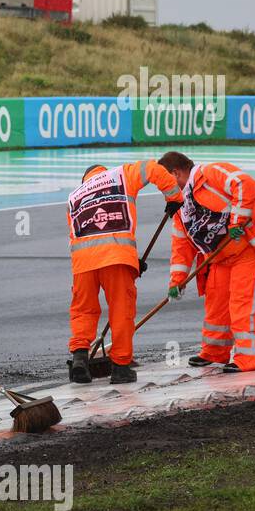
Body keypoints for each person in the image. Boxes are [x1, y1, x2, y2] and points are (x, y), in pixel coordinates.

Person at [159, 151, 255, 372]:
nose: (162, 190)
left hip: (251, 248)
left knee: (243, 304)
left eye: (163, 183)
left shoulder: (210, 173)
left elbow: (245, 183)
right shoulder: (182, 206)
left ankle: (247, 359)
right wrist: (177, 281)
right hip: (220, 257)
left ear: (175, 173)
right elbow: (181, 246)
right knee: (216, 304)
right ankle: (214, 352)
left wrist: (236, 221)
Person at [67, 160, 184, 384]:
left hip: (82, 263)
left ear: (85, 180)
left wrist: (130, 261)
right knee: (121, 309)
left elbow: (79, 236)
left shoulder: (74, 196)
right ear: (103, 172)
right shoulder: (121, 174)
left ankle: (80, 358)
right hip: (116, 258)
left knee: (83, 309)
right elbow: (154, 169)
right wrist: (174, 197)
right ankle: (120, 367)